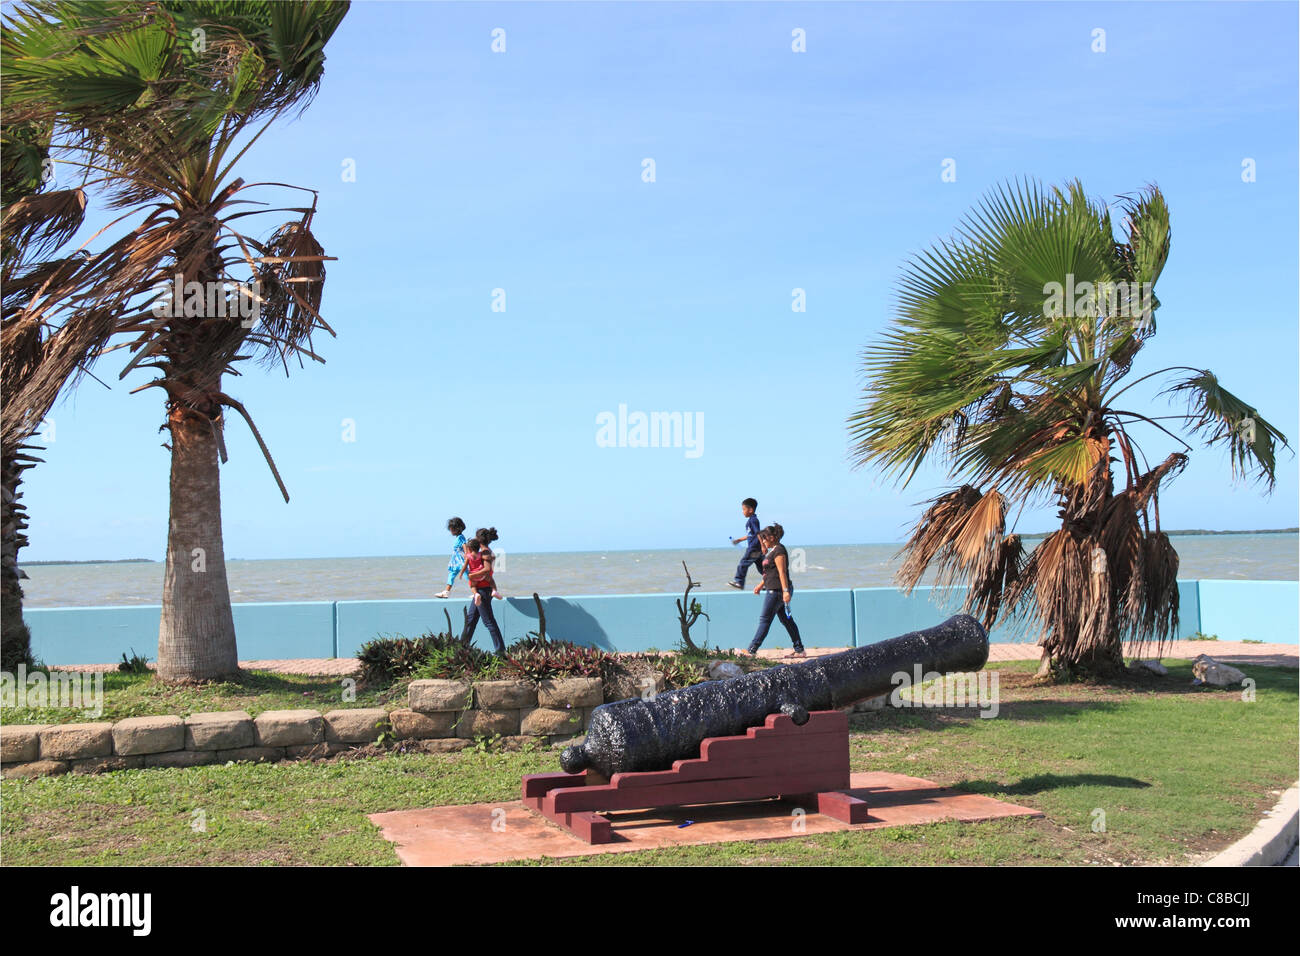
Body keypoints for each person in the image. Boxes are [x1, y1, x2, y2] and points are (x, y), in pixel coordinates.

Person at [744, 523, 805, 658]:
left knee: (765, 620)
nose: (764, 541)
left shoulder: (779, 551)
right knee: (787, 620)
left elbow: (782, 572)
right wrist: (761, 585)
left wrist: (785, 591)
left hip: (777, 591)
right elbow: (770, 573)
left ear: (772, 537)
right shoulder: (773, 551)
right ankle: (800, 650)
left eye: (765, 538)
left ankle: (751, 650)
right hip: (774, 589)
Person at [460, 537, 505, 654]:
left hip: (484, 590)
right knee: (470, 620)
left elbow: (487, 569)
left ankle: (500, 650)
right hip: (480, 590)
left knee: (488, 621)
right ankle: (461, 649)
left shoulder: (485, 554)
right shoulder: (483, 554)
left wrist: (470, 576)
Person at [728, 497, 762, 589]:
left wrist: (763, 546)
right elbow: (751, 535)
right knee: (763, 568)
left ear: (750, 510)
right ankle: (769, 582)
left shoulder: (753, 520)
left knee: (743, 564)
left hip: (754, 547)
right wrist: (738, 540)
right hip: (757, 548)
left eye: (743, 509)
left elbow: (758, 533)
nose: (742, 512)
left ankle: (739, 582)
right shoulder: (751, 520)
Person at [434, 517, 468, 599]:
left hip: (460, 561)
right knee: (451, 575)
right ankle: (446, 592)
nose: (450, 531)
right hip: (455, 561)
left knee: (467, 575)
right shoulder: (458, 537)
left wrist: (467, 556)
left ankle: (476, 592)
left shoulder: (461, 537)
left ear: (457, 529)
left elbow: (465, 547)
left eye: (452, 529)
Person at [474, 526, 505, 601]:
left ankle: (494, 591)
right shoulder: (488, 550)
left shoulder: (485, 552)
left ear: (479, 539)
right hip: (483, 586)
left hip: (484, 588)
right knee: (472, 613)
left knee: (486, 613)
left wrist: (472, 575)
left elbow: (487, 569)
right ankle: (494, 591)